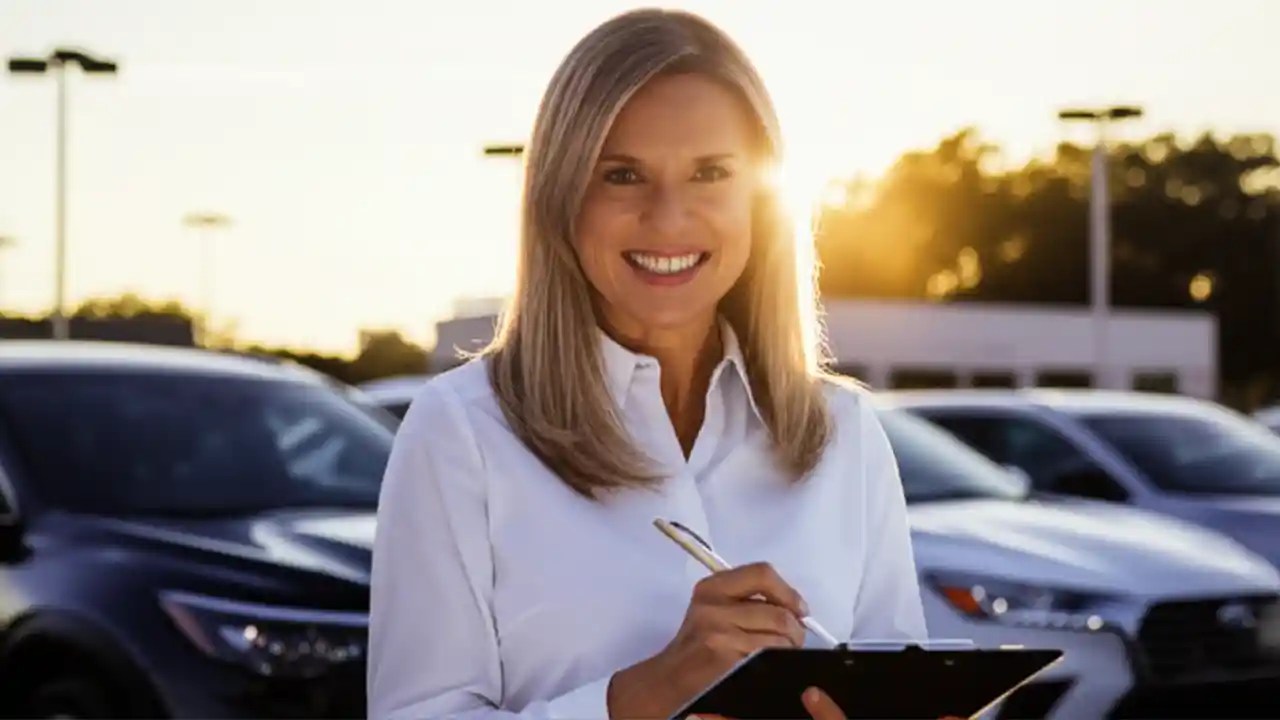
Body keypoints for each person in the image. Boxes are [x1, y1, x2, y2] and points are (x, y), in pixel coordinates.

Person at [367, 8, 927, 719]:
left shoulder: (845, 433)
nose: (669, 217)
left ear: (762, 202)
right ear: (561, 198)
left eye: (710, 173)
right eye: (623, 174)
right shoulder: (462, 432)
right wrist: (649, 693)